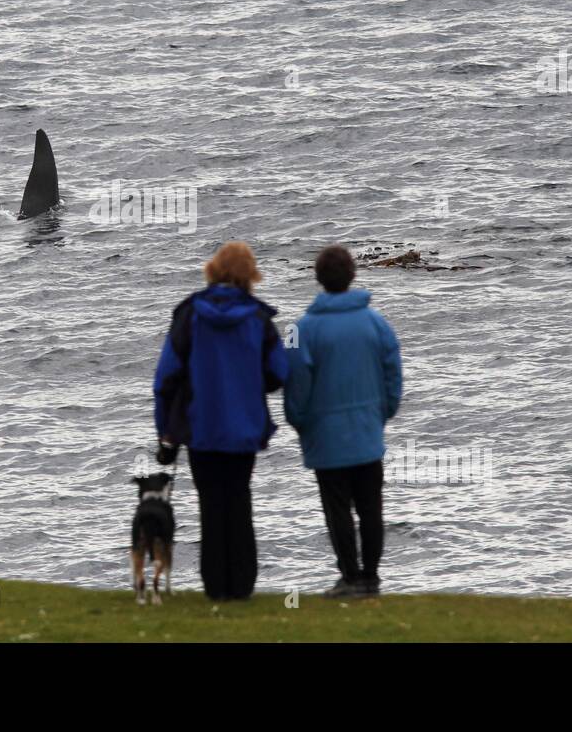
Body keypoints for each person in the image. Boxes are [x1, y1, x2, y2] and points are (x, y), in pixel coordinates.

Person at [153, 241, 289, 600]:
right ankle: (241, 587)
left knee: (210, 506)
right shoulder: (259, 318)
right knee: (239, 501)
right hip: (243, 429)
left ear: (213, 270)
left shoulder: (189, 314)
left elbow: (165, 378)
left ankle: (216, 588)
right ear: (250, 276)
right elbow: (279, 373)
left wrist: (164, 435)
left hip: (201, 430)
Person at [284, 245, 402, 598]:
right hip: (367, 430)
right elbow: (392, 374)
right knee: (370, 508)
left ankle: (350, 576)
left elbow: (296, 385)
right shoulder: (377, 323)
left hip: (326, 435)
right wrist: (383, 412)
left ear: (319, 279)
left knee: (337, 509)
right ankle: (371, 577)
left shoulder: (302, 329)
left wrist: (300, 422)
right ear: (352, 275)